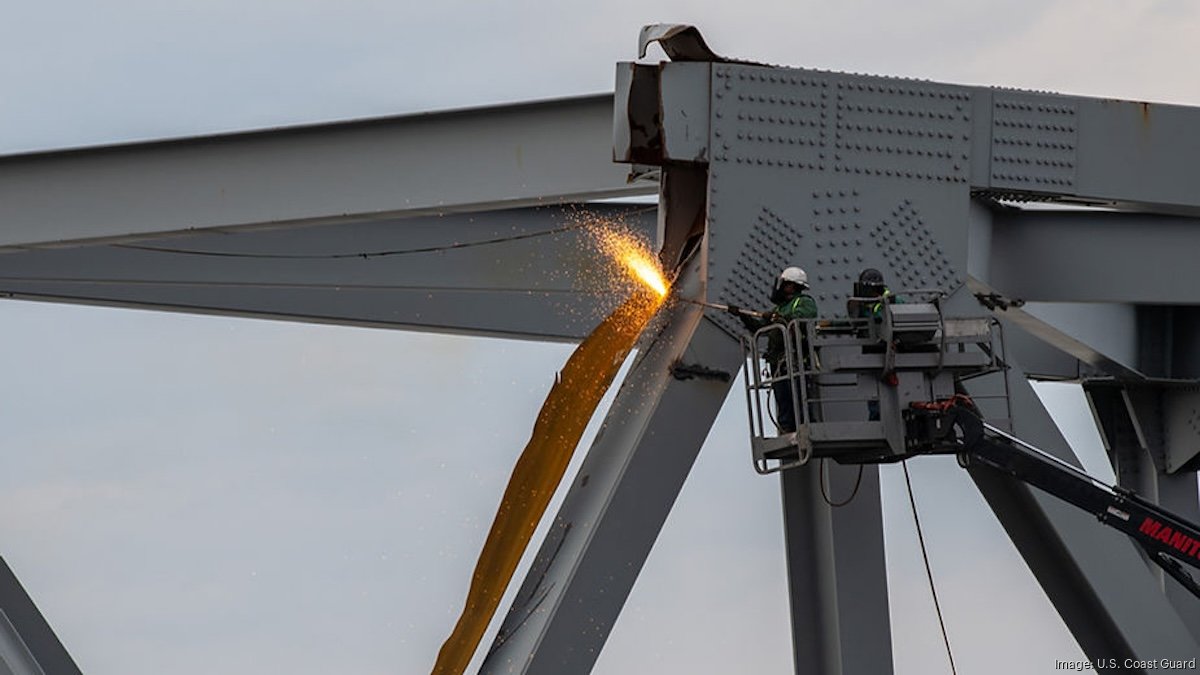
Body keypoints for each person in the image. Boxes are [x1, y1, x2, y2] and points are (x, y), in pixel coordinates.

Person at [727, 266, 818, 433]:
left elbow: (801, 317)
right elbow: (759, 327)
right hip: (778, 363)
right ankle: (787, 431)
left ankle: (805, 428)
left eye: (784, 284)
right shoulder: (779, 309)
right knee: (783, 400)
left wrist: (779, 318)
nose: (781, 287)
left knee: (798, 398)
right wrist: (742, 315)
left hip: (795, 361)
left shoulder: (804, 302)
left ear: (792, 285)